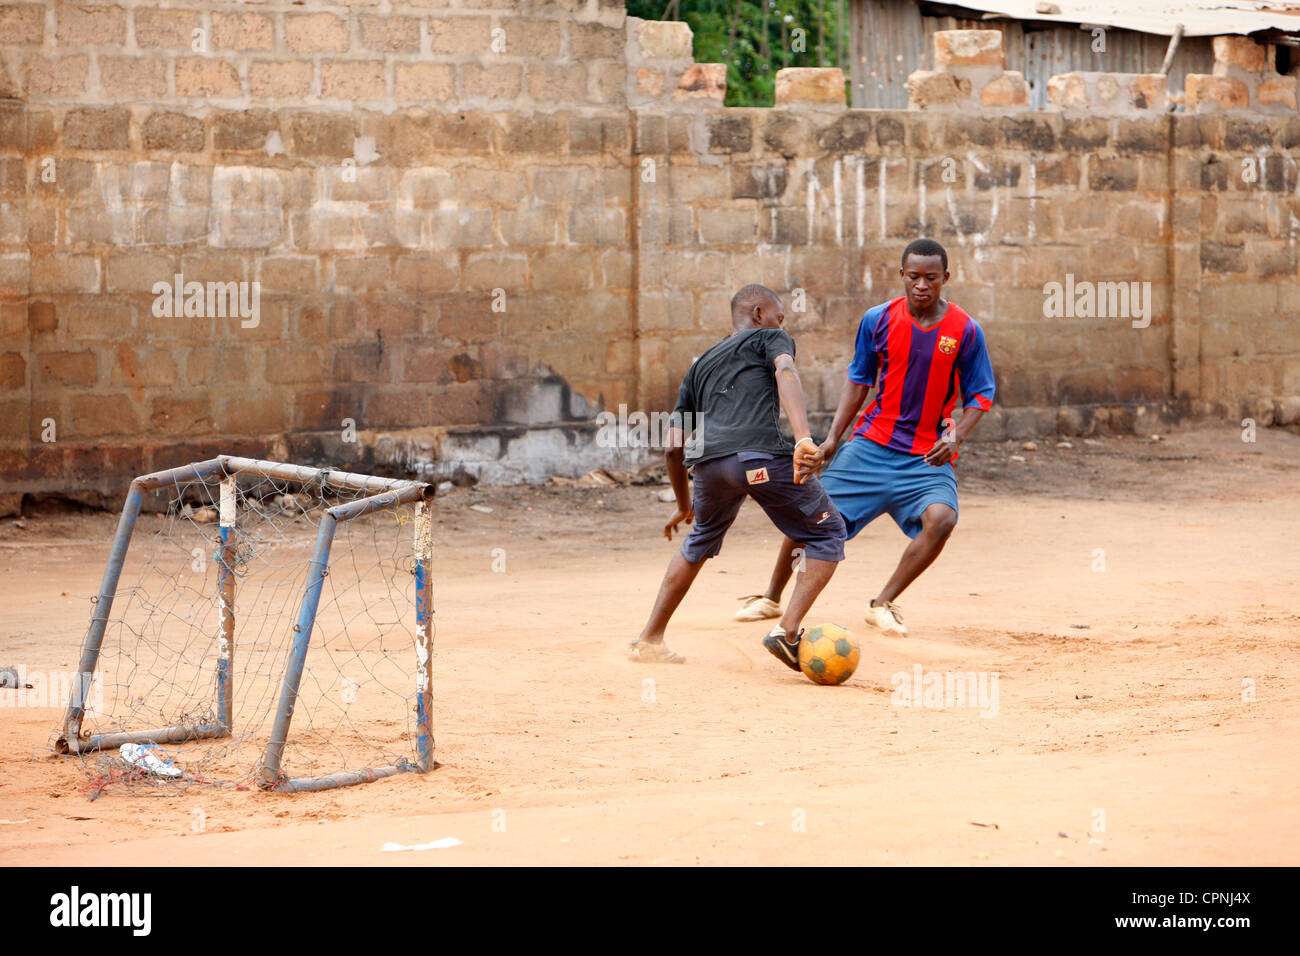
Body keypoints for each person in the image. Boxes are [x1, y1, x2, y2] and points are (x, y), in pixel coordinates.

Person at [734, 239, 995, 638]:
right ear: (902, 275)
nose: (921, 285)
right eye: (913, 277)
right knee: (812, 514)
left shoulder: (965, 330)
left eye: (930, 277)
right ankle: (771, 596)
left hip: (926, 458)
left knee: (942, 519)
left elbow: (981, 394)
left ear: (946, 277)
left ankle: (883, 603)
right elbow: (858, 381)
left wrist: (956, 435)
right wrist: (833, 439)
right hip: (871, 446)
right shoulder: (878, 319)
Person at [628, 283, 846, 671]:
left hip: (710, 469)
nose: (784, 322)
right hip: (758, 457)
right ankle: (787, 631)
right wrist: (803, 439)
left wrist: (683, 506)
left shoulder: (700, 365)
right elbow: (786, 370)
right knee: (828, 532)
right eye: (781, 315)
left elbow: (673, 448)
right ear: (760, 314)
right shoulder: (771, 338)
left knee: (697, 543)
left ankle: (649, 639)